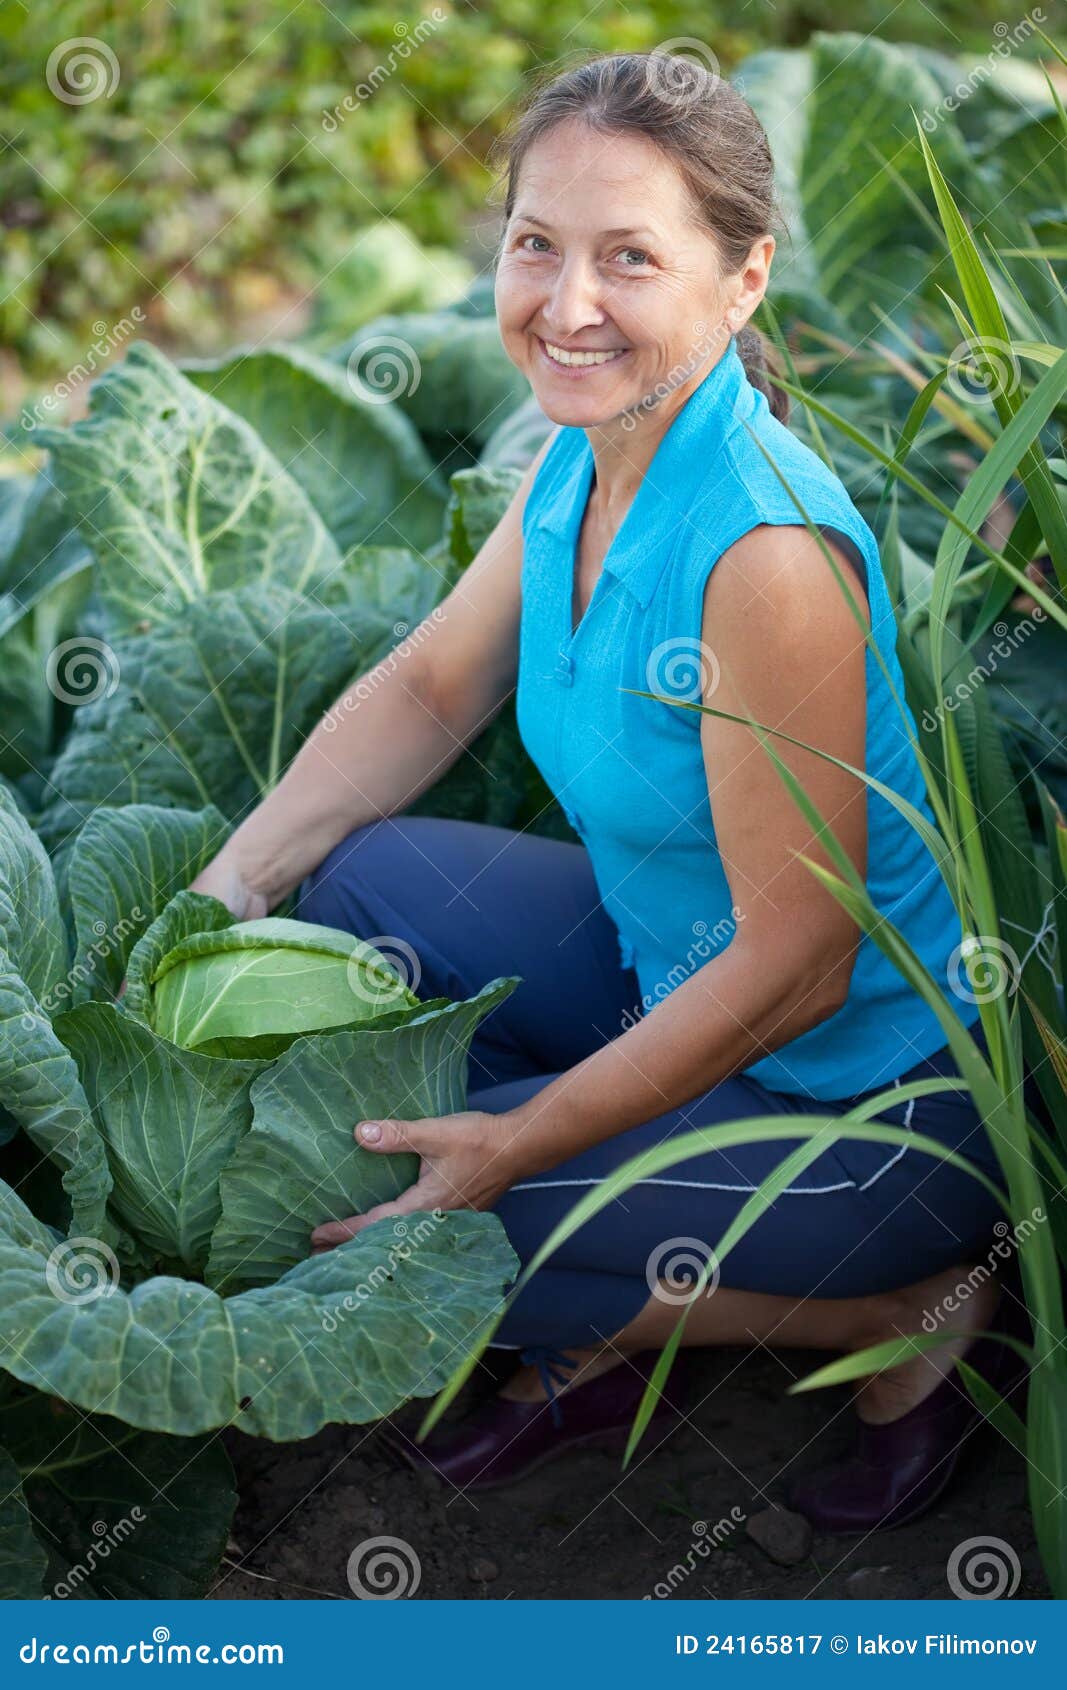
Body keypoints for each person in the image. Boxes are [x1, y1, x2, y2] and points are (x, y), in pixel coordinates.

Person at [190, 52, 1023, 1533]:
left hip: (869, 1111)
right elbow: (434, 687)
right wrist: (228, 887)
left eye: (630, 257)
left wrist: (521, 1135)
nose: (567, 306)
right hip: (675, 981)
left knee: (435, 1215)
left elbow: (800, 967)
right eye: (536, 245)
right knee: (360, 883)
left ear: (744, 277)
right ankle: (620, 1248)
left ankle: (905, 1309)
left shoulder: (762, 555)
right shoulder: (583, 456)